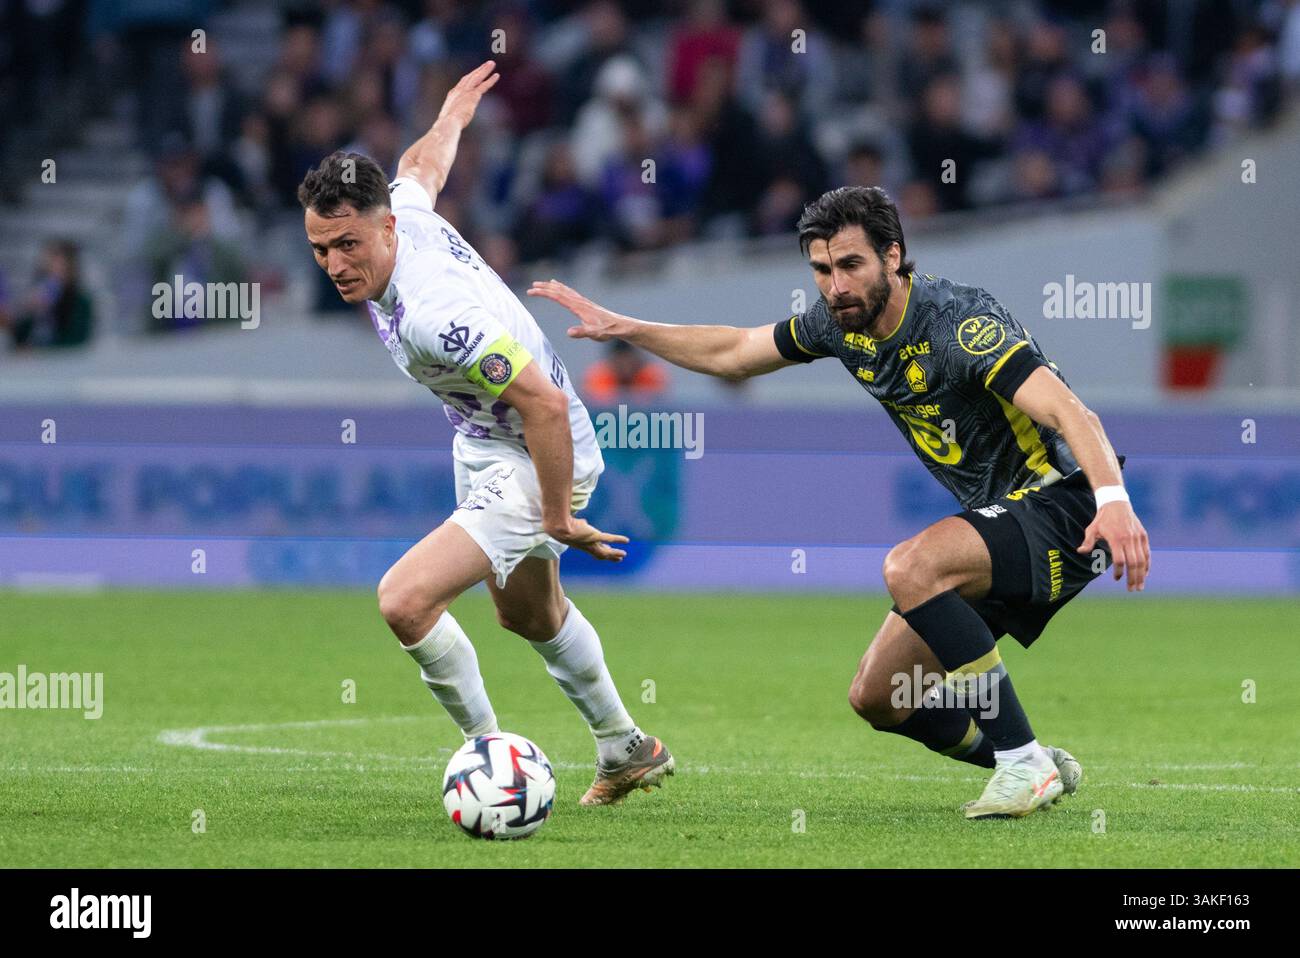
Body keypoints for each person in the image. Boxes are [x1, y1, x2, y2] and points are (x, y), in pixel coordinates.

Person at [529, 185, 1150, 819]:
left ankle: (1023, 764)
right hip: (1001, 522)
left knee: (912, 566)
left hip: (1066, 504)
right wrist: (628, 327)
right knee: (882, 696)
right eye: (822, 270)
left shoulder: (961, 324)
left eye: (850, 265)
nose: (835, 285)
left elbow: (1069, 410)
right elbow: (736, 353)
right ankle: (1024, 758)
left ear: (893, 256)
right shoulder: (838, 325)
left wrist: (1114, 501)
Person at [298, 62, 672, 806]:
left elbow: (540, 401)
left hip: (536, 448)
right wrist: (451, 118)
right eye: (319, 249)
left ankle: (489, 764)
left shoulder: (437, 311)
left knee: (404, 600)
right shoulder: (400, 211)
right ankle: (628, 749)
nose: (335, 266)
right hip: (483, 441)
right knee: (527, 612)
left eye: (347, 246)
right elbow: (419, 167)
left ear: (386, 229)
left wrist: (559, 515)